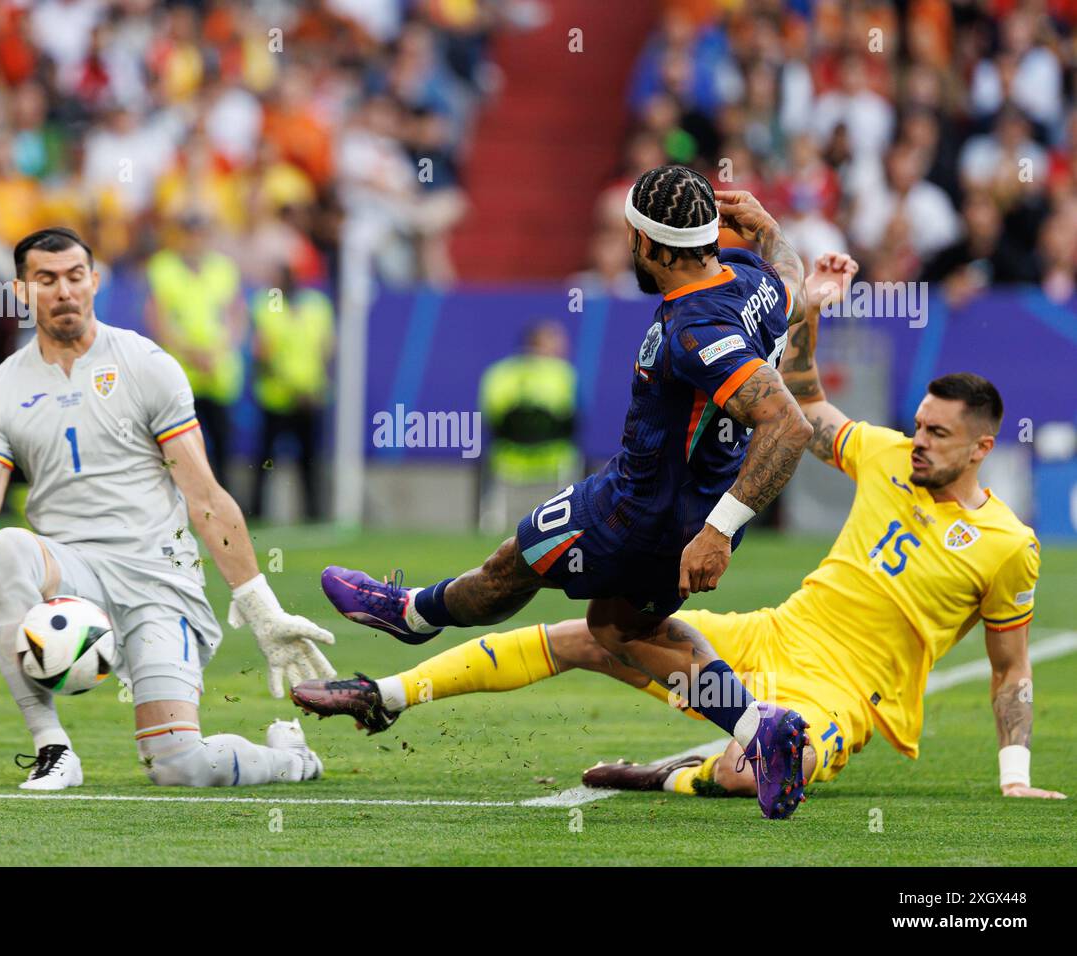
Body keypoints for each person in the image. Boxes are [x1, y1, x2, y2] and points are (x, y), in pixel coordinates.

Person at [294, 253, 1065, 803]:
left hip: (849, 697)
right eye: (921, 425)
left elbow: (1011, 670)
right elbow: (801, 401)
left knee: (741, 774)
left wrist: (1015, 773)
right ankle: (385, 692)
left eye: (938, 434)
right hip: (775, 634)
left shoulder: (1008, 546)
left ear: (982, 448)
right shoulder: (885, 454)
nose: (921, 441)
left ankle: (668, 772)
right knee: (589, 634)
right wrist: (814, 312)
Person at [314, 165, 818, 819]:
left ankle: (410, 613)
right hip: (692, 505)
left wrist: (719, 532)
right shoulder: (755, 280)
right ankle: (759, 732)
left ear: (655, 248)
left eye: (631, 235)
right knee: (620, 628)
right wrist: (773, 234)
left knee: (511, 564)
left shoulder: (698, 330)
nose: (627, 247)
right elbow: (796, 288)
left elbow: (789, 423)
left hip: (637, 507)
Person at [0, 227, 337, 791]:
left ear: (94, 282)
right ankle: (53, 749)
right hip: (71, 575)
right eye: (47, 280)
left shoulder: (147, 365)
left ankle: (289, 757)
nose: (65, 291)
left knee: (179, 766)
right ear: (23, 292)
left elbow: (207, 498)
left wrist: (262, 609)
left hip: (156, 577)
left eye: (75, 276)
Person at [145, 214, 246, 490]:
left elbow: (235, 315)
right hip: (180, 371)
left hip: (218, 371)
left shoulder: (223, 269)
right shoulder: (163, 268)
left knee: (222, 441)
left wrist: (218, 350)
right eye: (190, 234)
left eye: (200, 233)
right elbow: (158, 318)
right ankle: (178, 499)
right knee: (177, 443)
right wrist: (190, 353)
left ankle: (225, 499)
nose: (195, 241)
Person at [476, 320, 579, 534]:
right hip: (554, 458)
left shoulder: (499, 373)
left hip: (507, 458)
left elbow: (492, 418)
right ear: (541, 343)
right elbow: (571, 419)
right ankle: (571, 524)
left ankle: (489, 524)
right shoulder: (563, 373)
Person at [248, 267, 333, 521]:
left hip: (308, 396)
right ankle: (258, 511)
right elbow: (263, 352)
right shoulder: (267, 308)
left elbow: (325, 347)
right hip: (277, 395)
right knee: (266, 459)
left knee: (310, 461)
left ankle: (313, 513)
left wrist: (312, 387)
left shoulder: (316, 307)